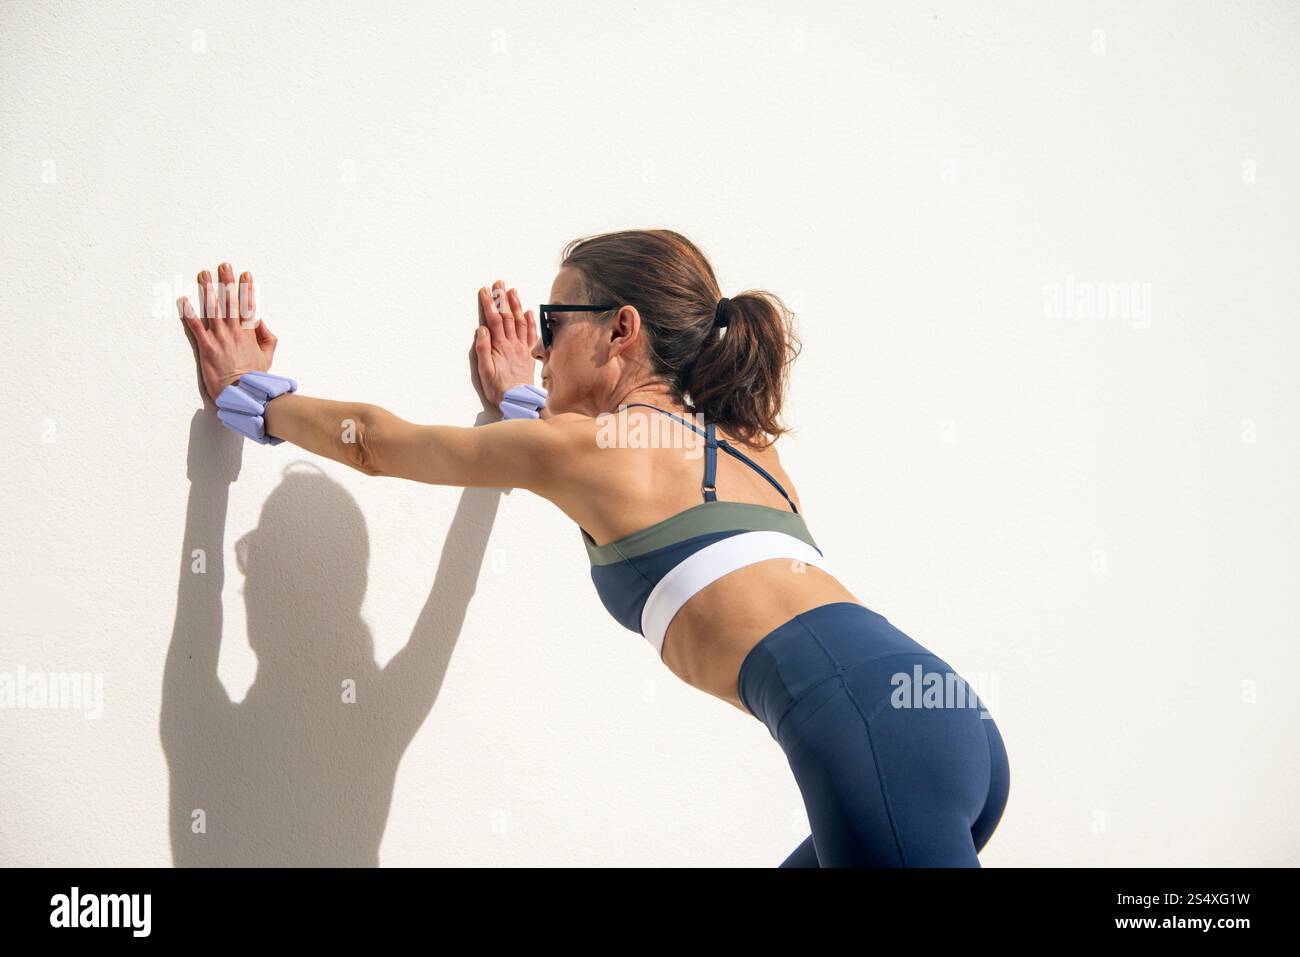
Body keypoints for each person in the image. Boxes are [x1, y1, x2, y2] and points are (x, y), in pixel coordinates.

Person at [178, 229, 1009, 866]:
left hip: (867, 737)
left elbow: (377, 443)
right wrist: (525, 402)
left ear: (620, 329)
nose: (540, 347)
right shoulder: (746, 441)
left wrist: (251, 396)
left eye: (553, 322)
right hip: (947, 723)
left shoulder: (585, 451)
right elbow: (617, 460)